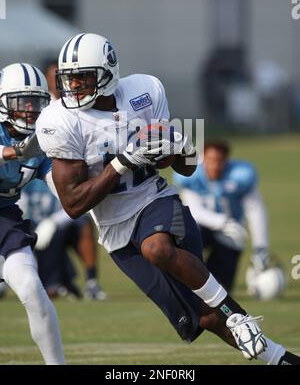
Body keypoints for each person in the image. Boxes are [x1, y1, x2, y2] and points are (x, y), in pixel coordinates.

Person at [35, 33, 299, 365]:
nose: (73, 86)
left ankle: (238, 313)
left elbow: (187, 167)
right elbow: (73, 205)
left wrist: (178, 146)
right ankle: (283, 359)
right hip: (115, 233)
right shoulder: (59, 120)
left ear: (107, 72)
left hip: (154, 199)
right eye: (69, 78)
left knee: (157, 248)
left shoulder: (142, 92)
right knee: (206, 318)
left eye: (83, 77)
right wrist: (124, 161)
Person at [0, 62, 65, 364]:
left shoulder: (40, 141)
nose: (28, 110)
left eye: (35, 102)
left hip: (5, 218)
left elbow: (64, 191)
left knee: (30, 286)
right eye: (20, 101)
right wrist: (11, 152)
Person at [173, 139, 271, 293]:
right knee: (184, 238)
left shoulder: (241, 176)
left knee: (221, 290)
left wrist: (261, 247)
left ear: (226, 161)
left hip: (230, 232)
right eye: (211, 160)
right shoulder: (192, 175)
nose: (215, 165)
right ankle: (180, 284)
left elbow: (255, 211)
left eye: (219, 161)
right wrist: (224, 222)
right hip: (201, 227)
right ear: (203, 159)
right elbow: (194, 211)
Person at [19, 177, 107, 300]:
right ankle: (59, 283)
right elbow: (18, 206)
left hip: (61, 225)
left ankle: (91, 282)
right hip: (32, 230)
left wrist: (53, 222)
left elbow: (78, 205)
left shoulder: (59, 170)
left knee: (83, 223)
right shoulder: (24, 173)